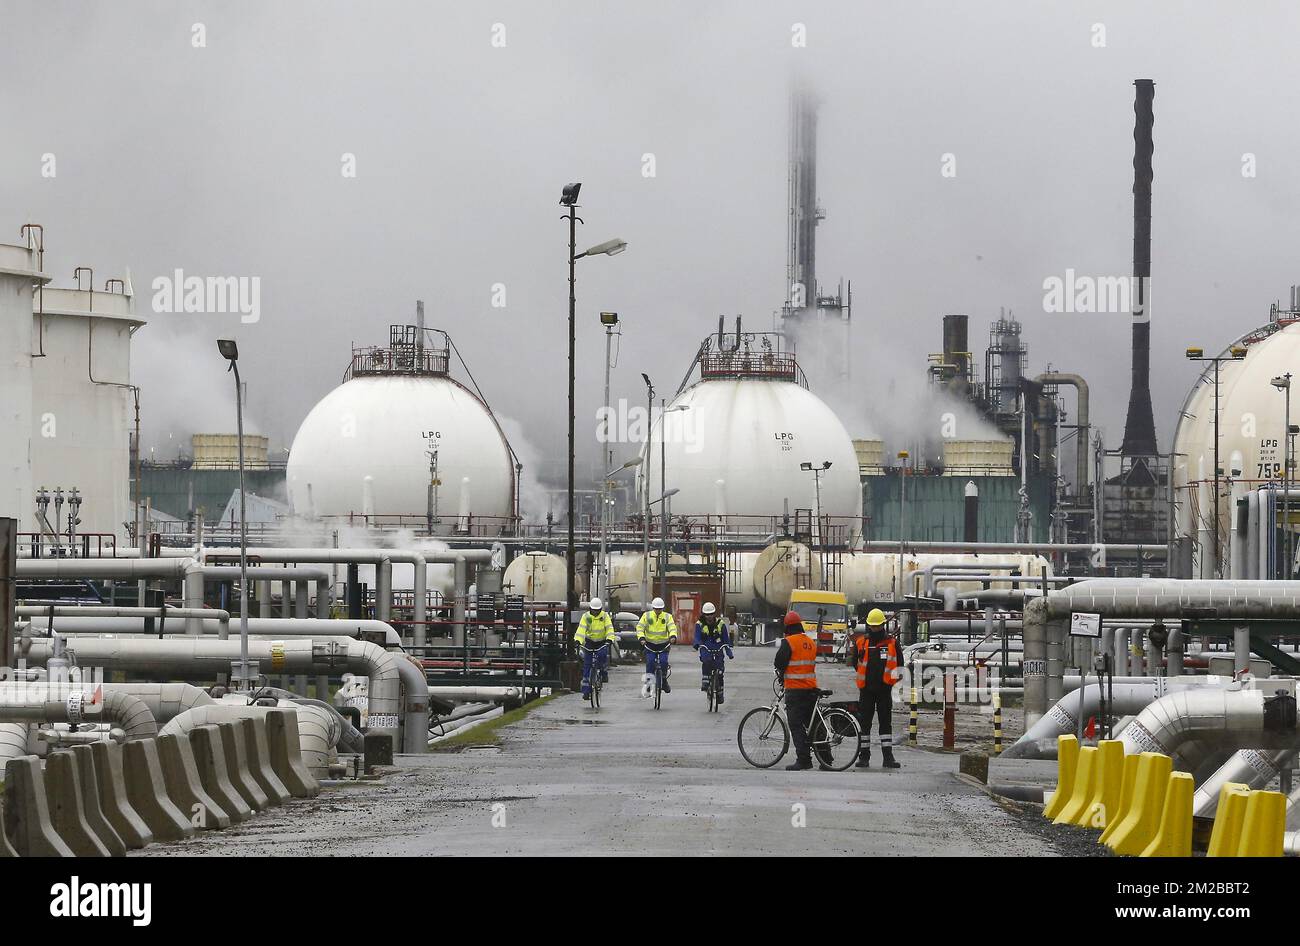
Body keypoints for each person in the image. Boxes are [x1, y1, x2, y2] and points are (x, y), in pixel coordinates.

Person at [849, 608, 902, 769]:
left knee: (885, 724)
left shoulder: (892, 642)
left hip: (885, 690)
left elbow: (900, 664)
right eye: (872, 626)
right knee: (865, 724)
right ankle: (864, 757)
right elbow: (854, 662)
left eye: (877, 626)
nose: (875, 628)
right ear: (868, 626)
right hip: (866, 691)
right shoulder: (861, 642)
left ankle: (888, 757)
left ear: (883, 625)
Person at [773, 609, 820, 770]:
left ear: (787, 627)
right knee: (813, 725)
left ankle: (804, 759)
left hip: (795, 690)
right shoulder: (810, 642)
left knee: (796, 725)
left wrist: (781, 672)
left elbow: (779, 662)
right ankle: (826, 757)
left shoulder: (789, 641)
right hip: (811, 688)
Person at [574, 597, 615, 701]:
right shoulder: (586, 617)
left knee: (602, 656)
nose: (596, 612)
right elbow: (581, 629)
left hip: (601, 642)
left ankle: (603, 673)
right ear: (590, 609)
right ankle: (586, 691)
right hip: (589, 642)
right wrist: (578, 640)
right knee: (587, 666)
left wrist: (609, 640)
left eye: (597, 610)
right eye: (594, 610)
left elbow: (609, 628)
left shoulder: (605, 616)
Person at [636, 597, 678, 695]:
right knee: (650, 663)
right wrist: (641, 638)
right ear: (653, 608)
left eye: (660, 609)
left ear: (663, 608)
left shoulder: (667, 617)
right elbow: (640, 627)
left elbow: (672, 627)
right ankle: (649, 683)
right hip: (650, 645)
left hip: (664, 645)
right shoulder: (646, 616)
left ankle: (663, 681)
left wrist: (673, 636)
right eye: (656, 609)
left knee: (663, 662)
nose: (658, 611)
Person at [693, 602, 733, 703]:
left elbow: (726, 639)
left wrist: (729, 651)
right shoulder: (699, 624)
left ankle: (720, 693)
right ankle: (705, 681)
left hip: (718, 649)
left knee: (720, 672)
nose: (709, 616)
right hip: (706, 649)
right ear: (704, 614)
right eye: (707, 614)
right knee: (706, 661)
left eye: (711, 614)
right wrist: (697, 644)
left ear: (714, 614)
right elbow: (697, 637)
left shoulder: (720, 624)